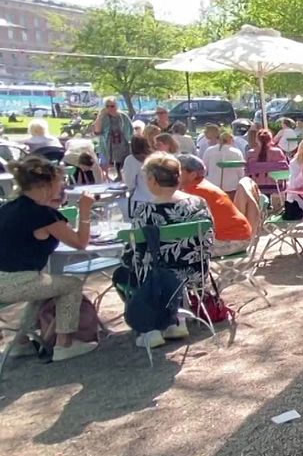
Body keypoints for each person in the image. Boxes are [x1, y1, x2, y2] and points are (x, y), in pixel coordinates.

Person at [0, 156, 99, 362]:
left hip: (8, 278)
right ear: (47, 185)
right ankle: (65, 344)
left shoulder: (8, 208)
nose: (62, 186)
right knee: (71, 285)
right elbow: (81, 242)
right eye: (59, 182)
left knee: (43, 286)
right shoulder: (43, 214)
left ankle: (21, 342)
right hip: (15, 282)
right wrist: (85, 210)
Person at [116, 153, 214, 349]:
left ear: (152, 180)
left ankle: (150, 328)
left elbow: (136, 250)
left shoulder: (145, 211)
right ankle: (176, 320)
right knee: (160, 268)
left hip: (159, 276)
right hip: (195, 270)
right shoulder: (198, 203)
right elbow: (209, 238)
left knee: (123, 273)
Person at [178, 154, 253, 256]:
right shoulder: (202, 185)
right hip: (238, 237)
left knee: (178, 252)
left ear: (192, 175)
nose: (173, 173)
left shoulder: (196, 191)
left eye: (178, 170)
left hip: (231, 240)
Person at [92, 97, 133, 169]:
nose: (110, 108)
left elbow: (131, 130)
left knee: (123, 165)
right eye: (107, 106)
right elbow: (97, 131)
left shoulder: (123, 116)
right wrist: (100, 116)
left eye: (112, 106)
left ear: (117, 106)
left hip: (123, 145)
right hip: (108, 146)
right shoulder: (104, 117)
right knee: (109, 166)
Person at [121, 136, 155, 212]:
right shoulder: (156, 157)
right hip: (160, 197)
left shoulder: (131, 160)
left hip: (141, 199)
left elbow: (130, 183)